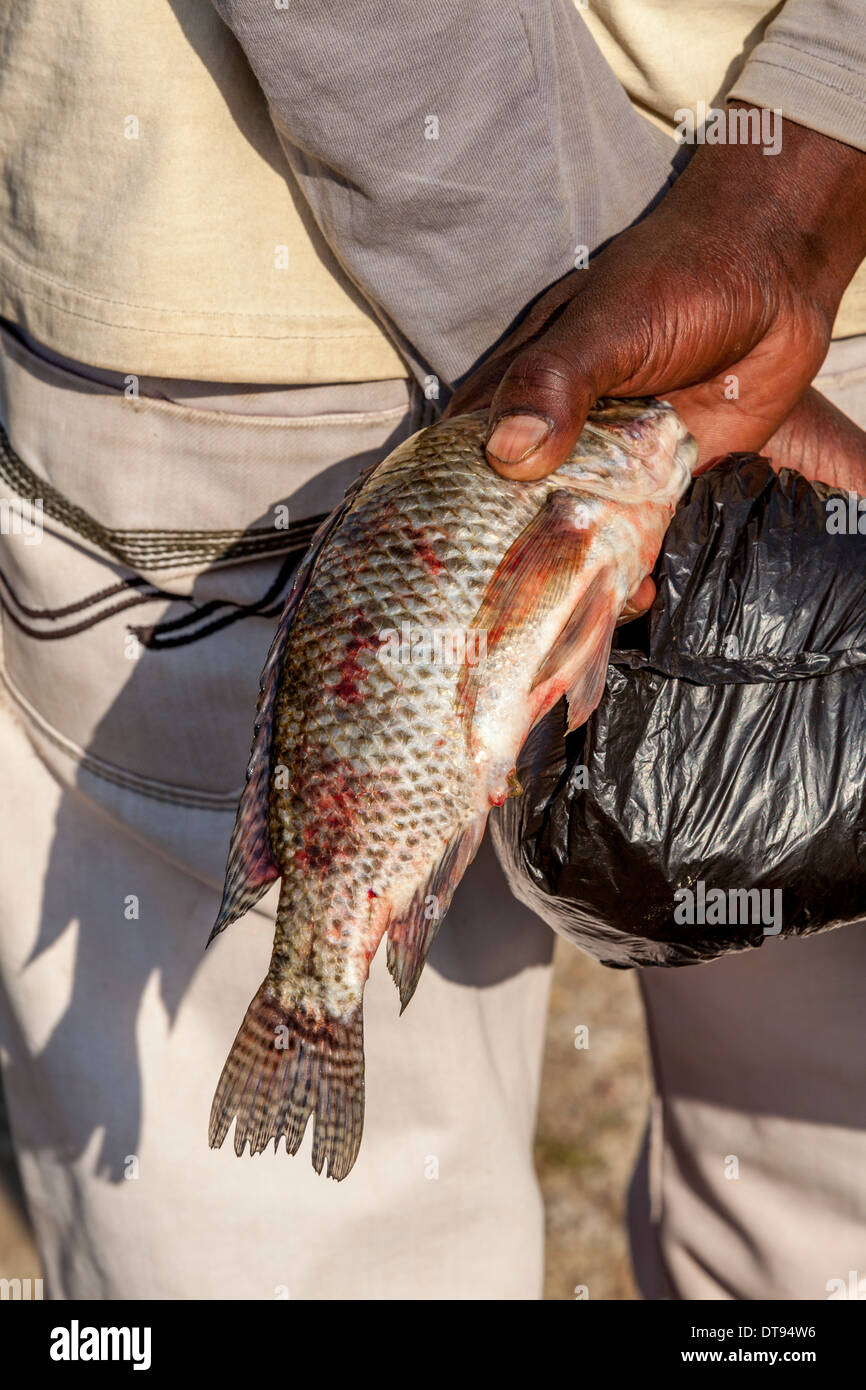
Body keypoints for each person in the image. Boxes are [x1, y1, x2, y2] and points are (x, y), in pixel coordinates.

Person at [0, 0, 863, 1300]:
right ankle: (316, 984)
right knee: (829, 1222)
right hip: (785, 319)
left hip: (243, 320)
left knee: (299, 1265)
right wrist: (789, 184)